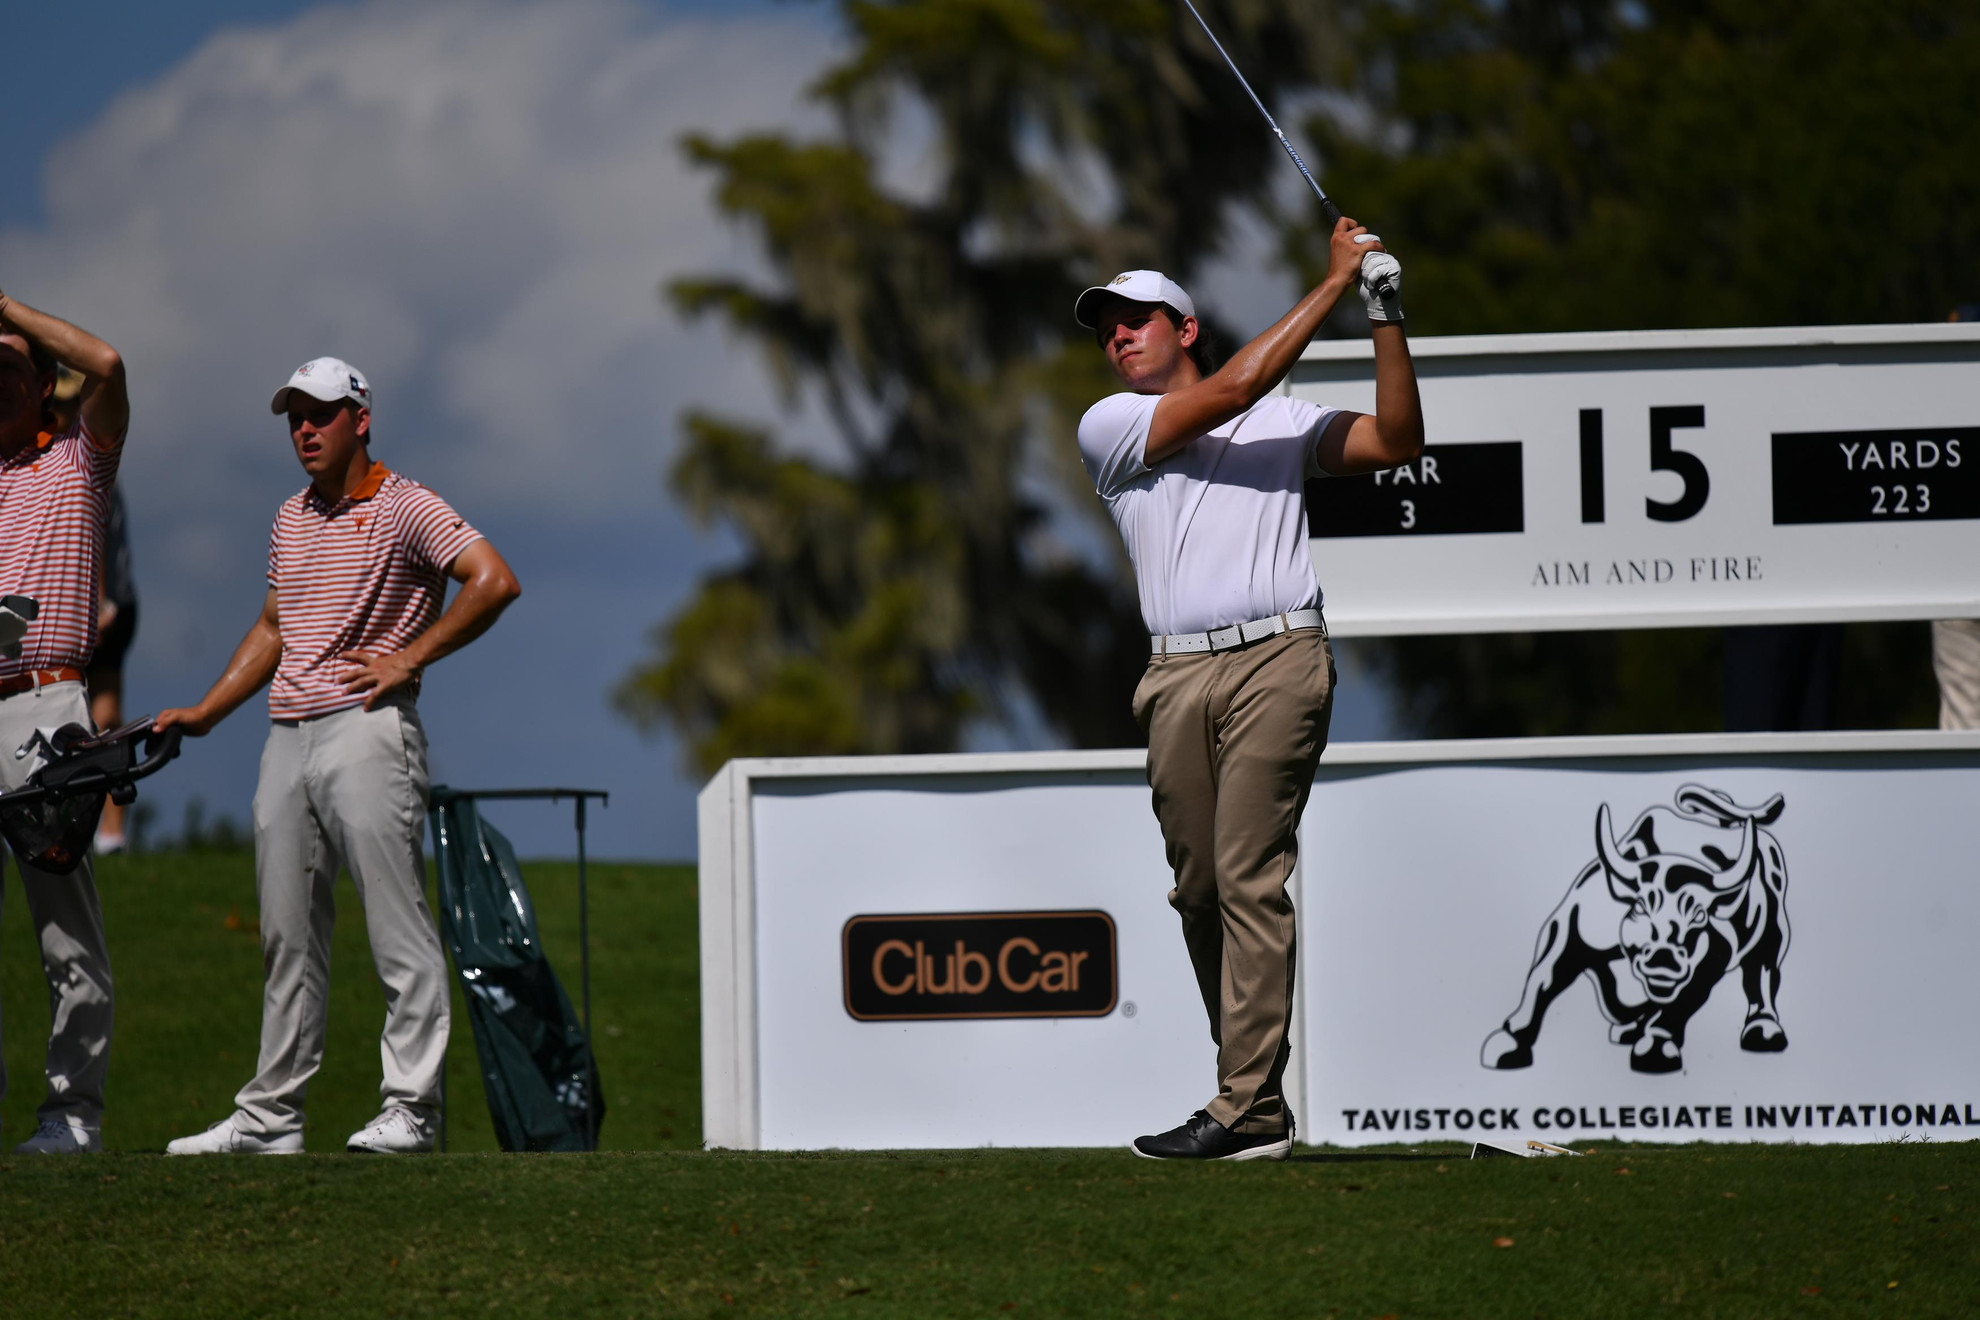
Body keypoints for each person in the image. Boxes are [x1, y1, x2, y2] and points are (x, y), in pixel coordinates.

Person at [1073, 219, 1423, 1161]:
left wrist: (1384, 315)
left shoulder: (1283, 421)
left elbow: (1396, 441)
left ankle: (1247, 1109)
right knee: (1199, 890)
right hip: (1175, 674)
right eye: (1106, 329)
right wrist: (1333, 281)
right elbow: (1233, 389)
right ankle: (1251, 1099)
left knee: (1245, 873)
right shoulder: (1110, 425)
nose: (1117, 337)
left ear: (1184, 327)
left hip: (1279, 658)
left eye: (1136, 320)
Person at [159, 357, 520, 1155]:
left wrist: (409, 656)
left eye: (320, 413)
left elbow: (493, 580)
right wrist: (208, 712)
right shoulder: (289, 516)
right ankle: (271, 1120)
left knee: (397, 924)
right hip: (286, 735)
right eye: (295, 417)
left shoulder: (406, 504)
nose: (305, 430)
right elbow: (274, 627)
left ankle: (413, 1111)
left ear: (361, 418)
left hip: (368, 727)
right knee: (286, 936)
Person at [0, 288, 131, 1154]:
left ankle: (71, 1115)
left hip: (44, 704)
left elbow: (109, 366)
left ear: (47, 383)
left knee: (64, 924)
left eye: (8, 367)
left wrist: (7, 308)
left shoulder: (78, 461)